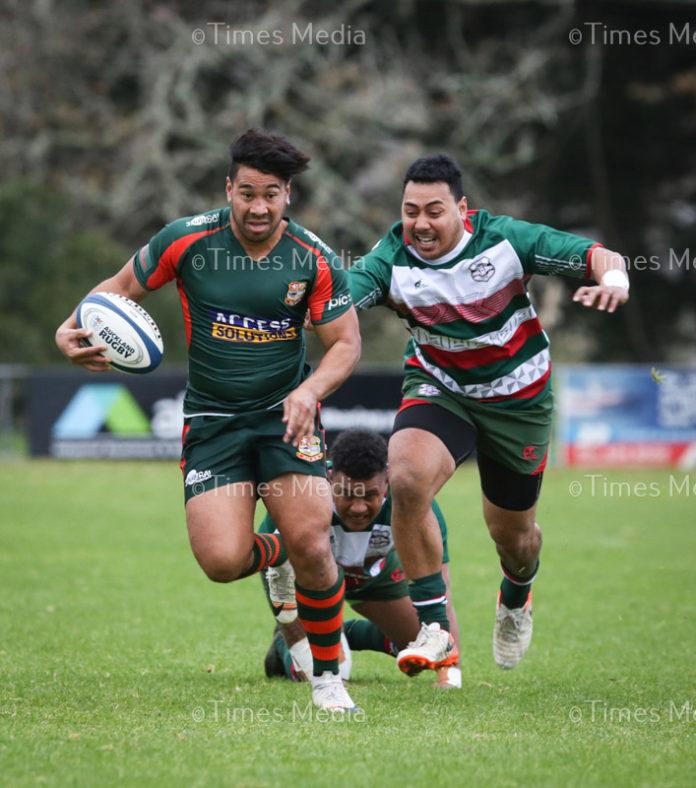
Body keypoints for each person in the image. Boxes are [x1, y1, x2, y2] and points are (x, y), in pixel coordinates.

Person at [54, 129, 362, 712]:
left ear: (288, 195)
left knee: (315, 545)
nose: (257, 207)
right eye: (246, 192)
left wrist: (310, 390)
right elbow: (116, 292)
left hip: (285, 422)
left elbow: (345, 343)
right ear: (229, 188)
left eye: (270, 194)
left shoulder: (313, 258)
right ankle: (276, 557)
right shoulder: (187, 241)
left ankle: (327, 678)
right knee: (222, 561)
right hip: (214, 423)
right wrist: (68, 330)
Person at [348, 153, 630, 674]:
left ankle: (517, 593)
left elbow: (598, 255)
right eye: (411, 211)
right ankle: (435, 628)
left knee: (514, 538)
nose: (421, 223)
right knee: (406, 477)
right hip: (441, 386)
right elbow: (343, 295)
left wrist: (615, 282)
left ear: (462, 208)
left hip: (518, 401)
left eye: (435, 210)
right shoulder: (393, 257)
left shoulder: (504, 241)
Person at [258, 430, 462, 688]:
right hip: (307, 579)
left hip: (373, 576)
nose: (358, 507)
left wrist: (450, 673)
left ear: (388, 482)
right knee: (335, 672)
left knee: (419, 644)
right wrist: (291, 628)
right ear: (330, 478)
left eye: (369, 496)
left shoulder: (412, 503)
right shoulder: (306, 490)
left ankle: (339, 633)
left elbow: (440, 584)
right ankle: (284, 647)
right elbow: (275, 567)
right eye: (347, 494)